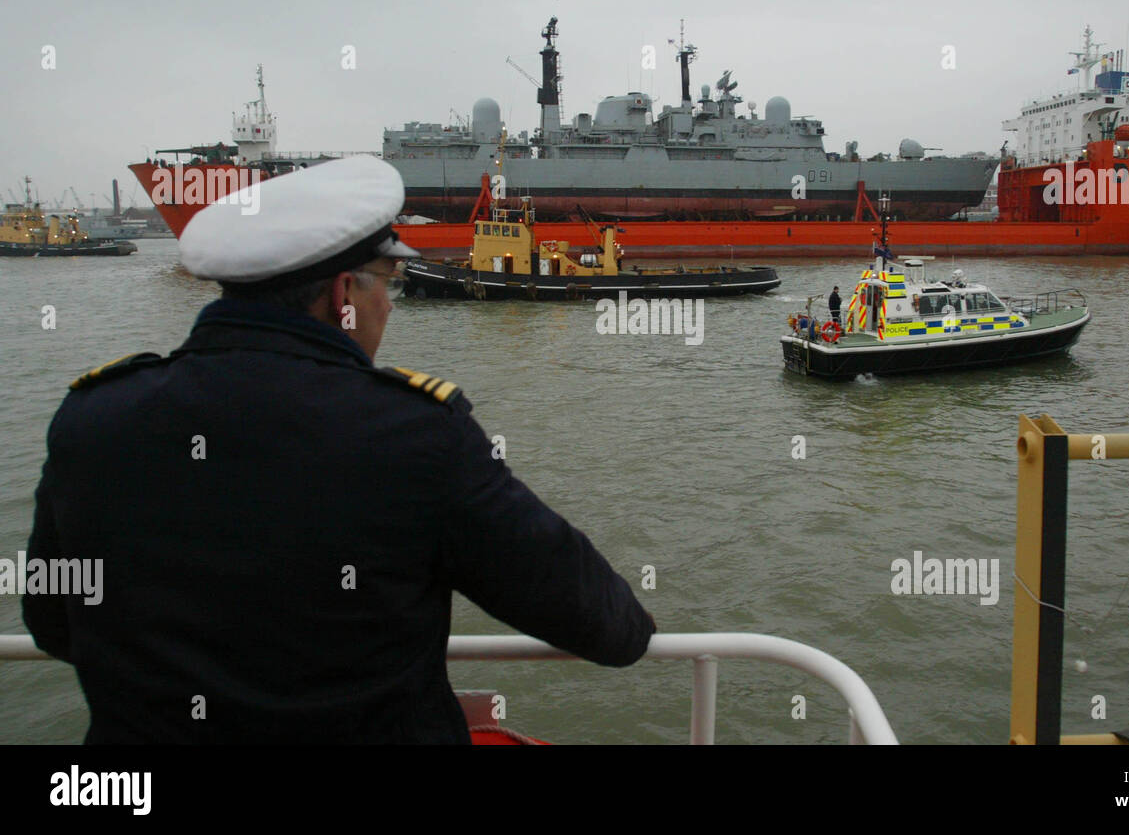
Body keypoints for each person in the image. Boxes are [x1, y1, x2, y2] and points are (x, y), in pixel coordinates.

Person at [23, 155, 655, 744]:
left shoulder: (93, 416)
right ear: (343, 296)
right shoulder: (417, 433)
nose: (390, 302)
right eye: (388, 280)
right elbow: (595, 621)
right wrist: (636, 626)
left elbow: (51, 622)